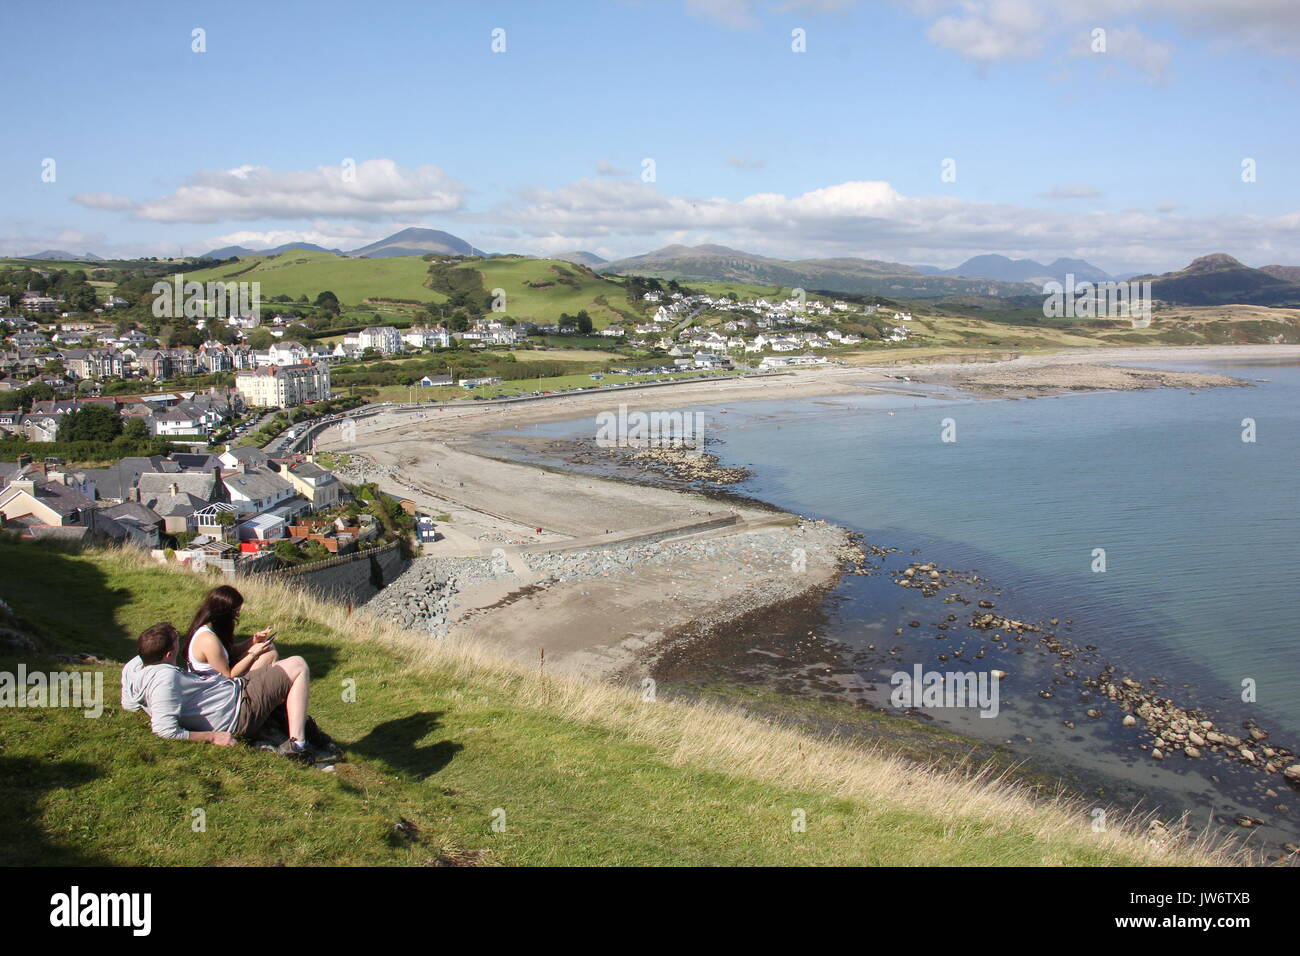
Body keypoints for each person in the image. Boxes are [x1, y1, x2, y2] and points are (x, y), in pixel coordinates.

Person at [121, 621, 321, 761]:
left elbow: (128, 704)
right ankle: (298, 746)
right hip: (238, 712)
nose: (180, 642)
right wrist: (213, 736)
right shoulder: (166, 679)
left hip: (235, 690)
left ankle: (287, 719)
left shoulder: (134, 668)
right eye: (176, 641)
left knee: (270, 657)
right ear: (168, 654)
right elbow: (164, 729)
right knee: (298, 665)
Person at [179, 585, 279, 680]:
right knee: (270, 654)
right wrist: (254, 654)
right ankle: (264, 691)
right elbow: (227, 676)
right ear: (223, 612)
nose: (238, 615)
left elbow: (230, 652)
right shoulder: (207, 639)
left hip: (220, 680)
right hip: (217, 687)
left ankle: (267, 688)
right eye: (235, 611)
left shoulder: (213, 628)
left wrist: (253, 641)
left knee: (267, 647)